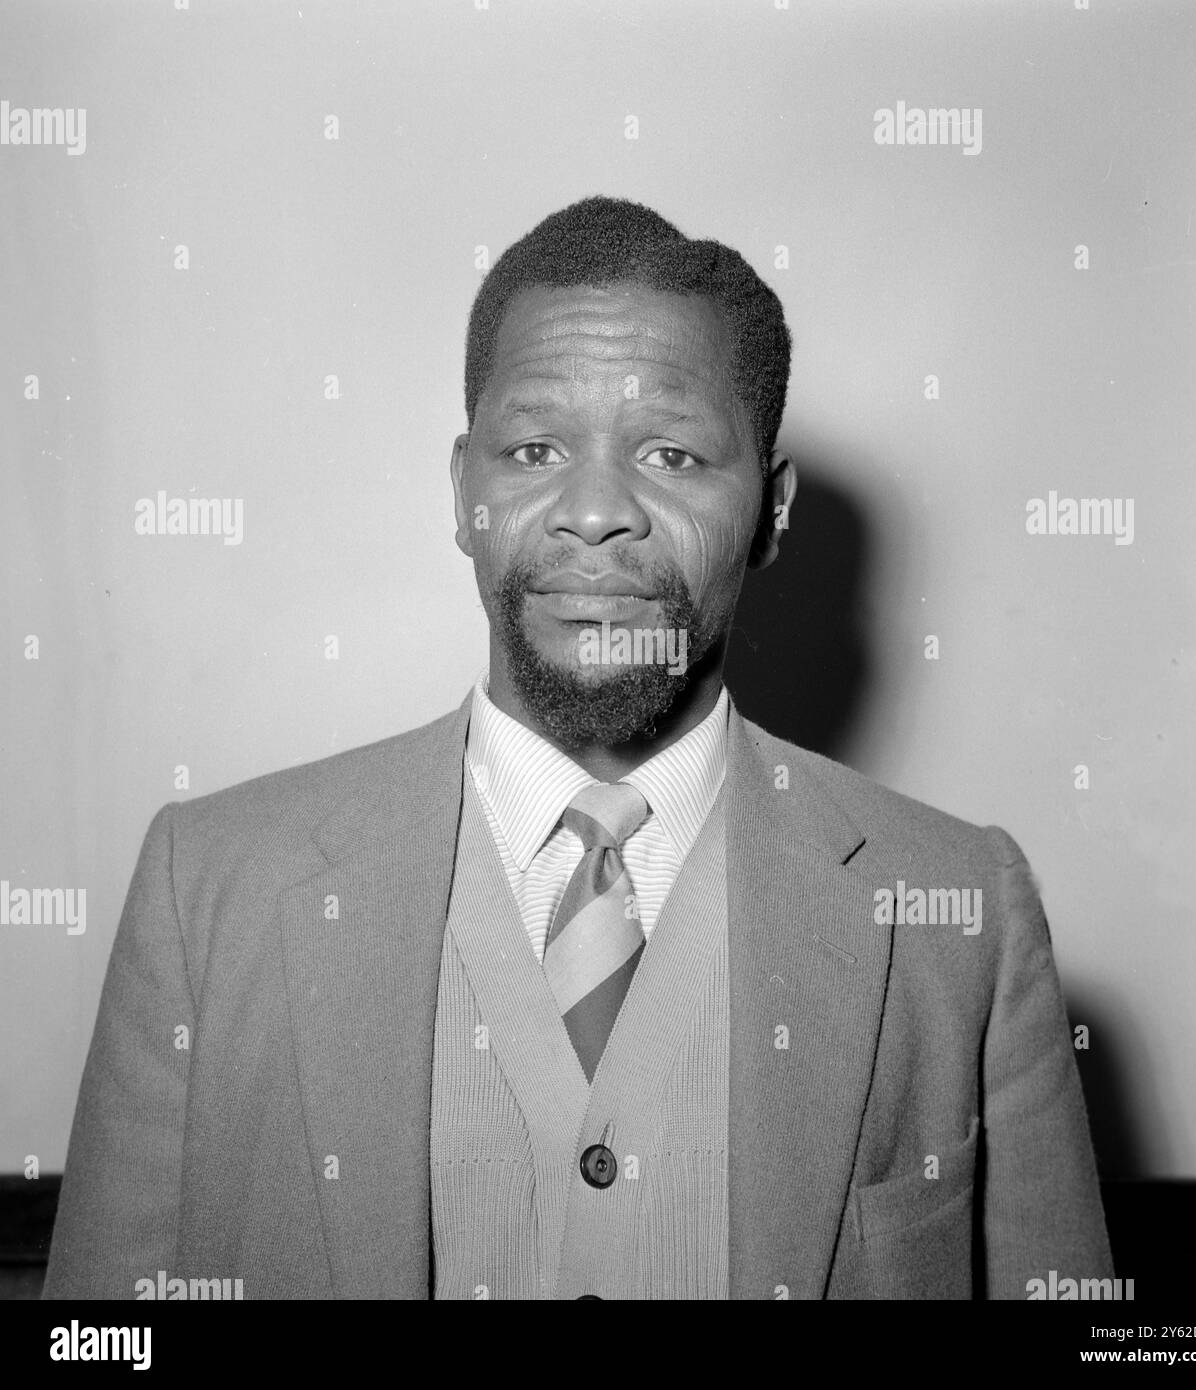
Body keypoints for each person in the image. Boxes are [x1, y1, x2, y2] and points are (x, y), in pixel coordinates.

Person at [44, 195, 1111, 1300]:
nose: (595, 509)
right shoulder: (210, 886)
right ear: (464, 491)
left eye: (672, 452)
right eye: (534, 446)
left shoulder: (958, 912)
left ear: (771, 509)